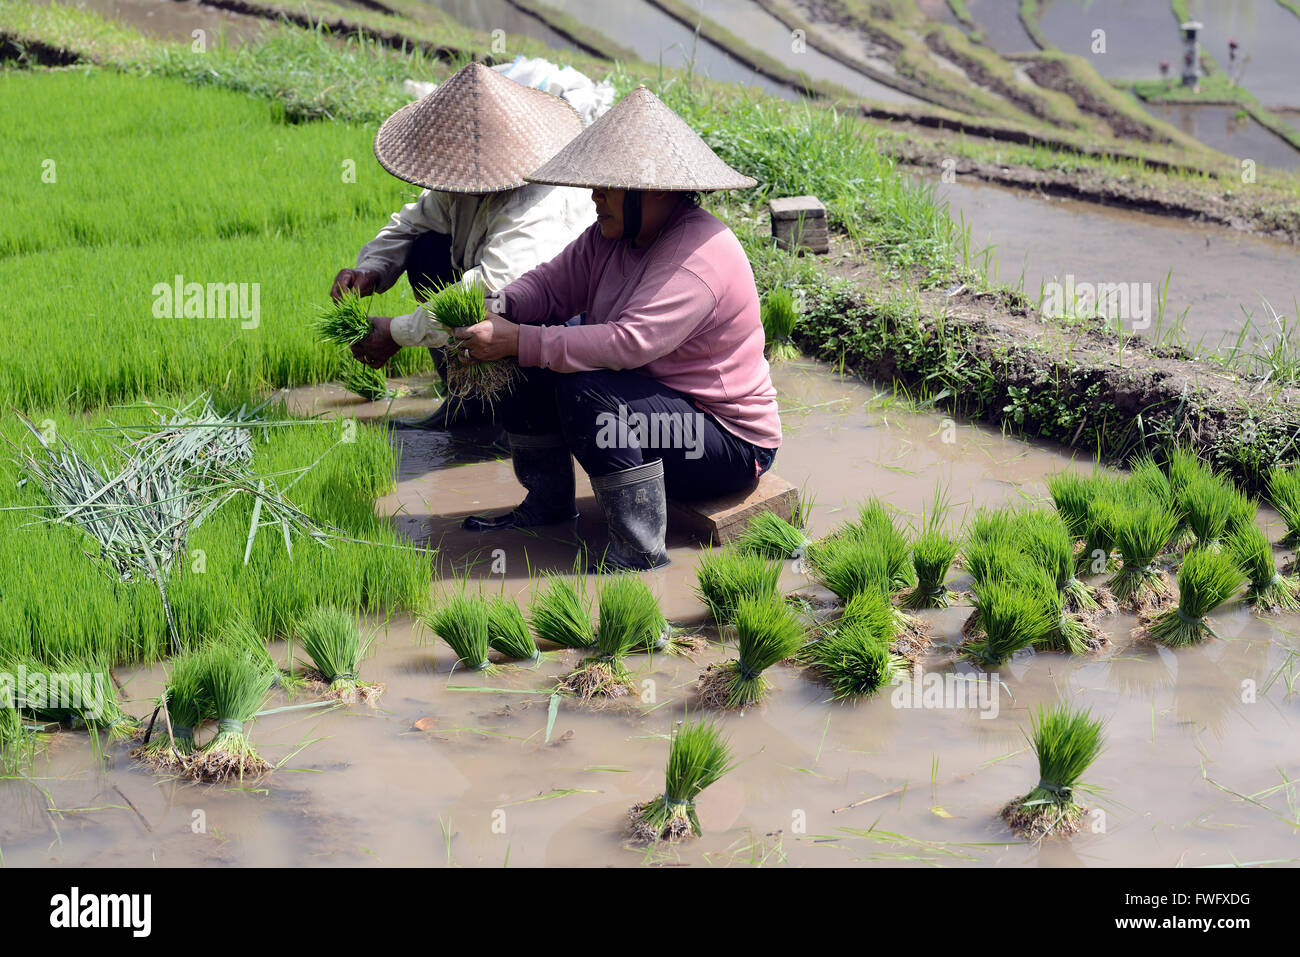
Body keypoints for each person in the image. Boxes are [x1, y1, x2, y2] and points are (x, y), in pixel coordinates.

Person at [449, 85, 782, 571]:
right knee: (524, 357)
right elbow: (549, 287)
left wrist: (519, 339)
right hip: (656, 403)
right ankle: (547, 505)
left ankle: (638, 551)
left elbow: (629, 344)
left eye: (609, 186)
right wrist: (496, 307)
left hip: (724, 439)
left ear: (654, 192)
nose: (594, 196)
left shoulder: (697, 253)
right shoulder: (610, 238)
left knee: (584, 388)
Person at [339, 62, 594, 429]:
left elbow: (492, 287)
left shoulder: (539, 199)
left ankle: (521, 422)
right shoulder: (462, 182)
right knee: (425, 247)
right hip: (506, 298)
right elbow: (412, 222)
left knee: (508, 309)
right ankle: (466, 404)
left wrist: (395, 333)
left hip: (559, 322)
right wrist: (372, 270)